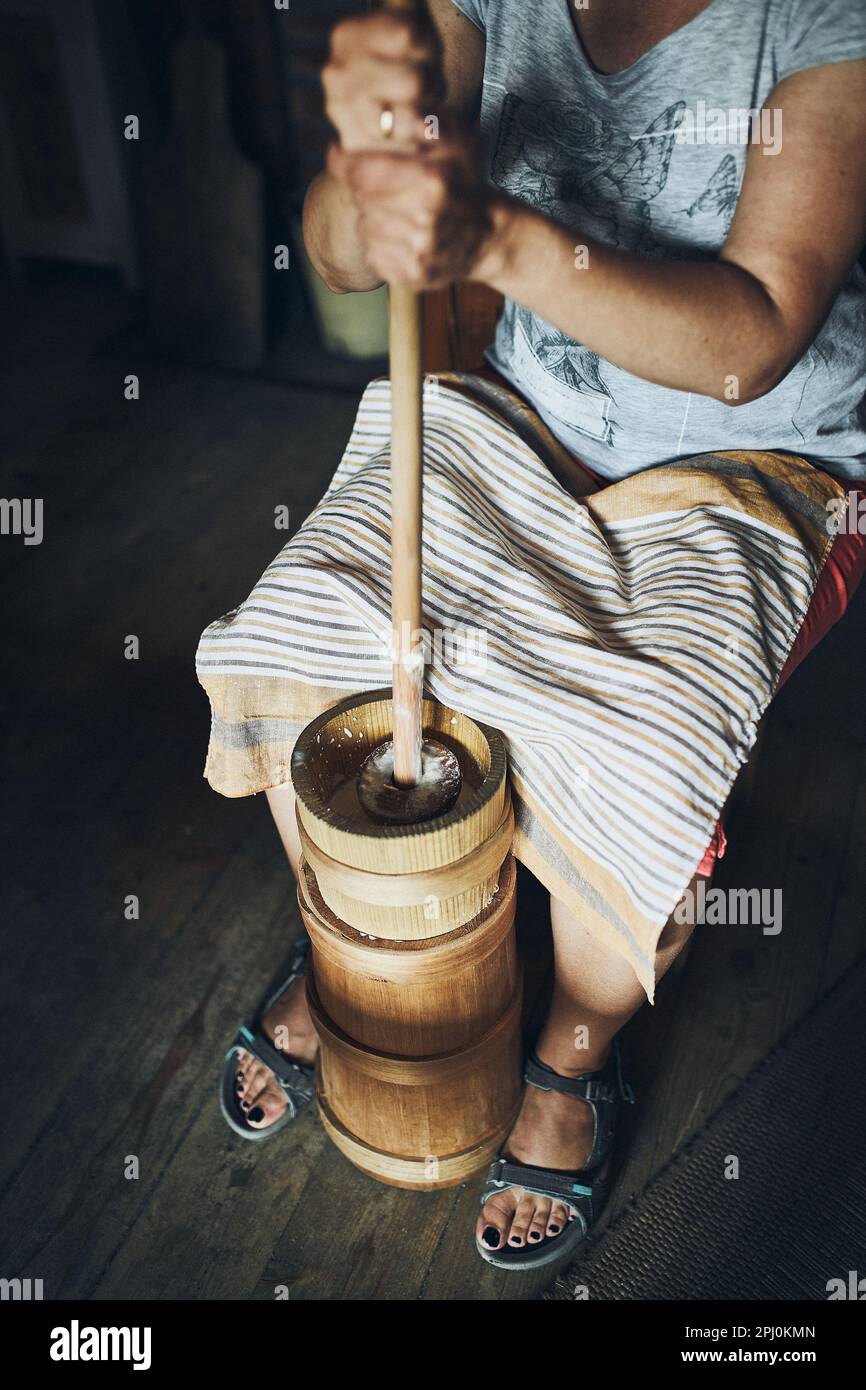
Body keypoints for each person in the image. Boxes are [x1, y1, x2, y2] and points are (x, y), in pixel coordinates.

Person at [200, 0, 866, 1270]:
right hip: (535, 413)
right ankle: (373, 945)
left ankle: (570, 1050)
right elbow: (343, 259)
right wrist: (366, 162)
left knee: (641, 762)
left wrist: (494, 237)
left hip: (757, 458)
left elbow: (754, 337)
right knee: (306, 619)